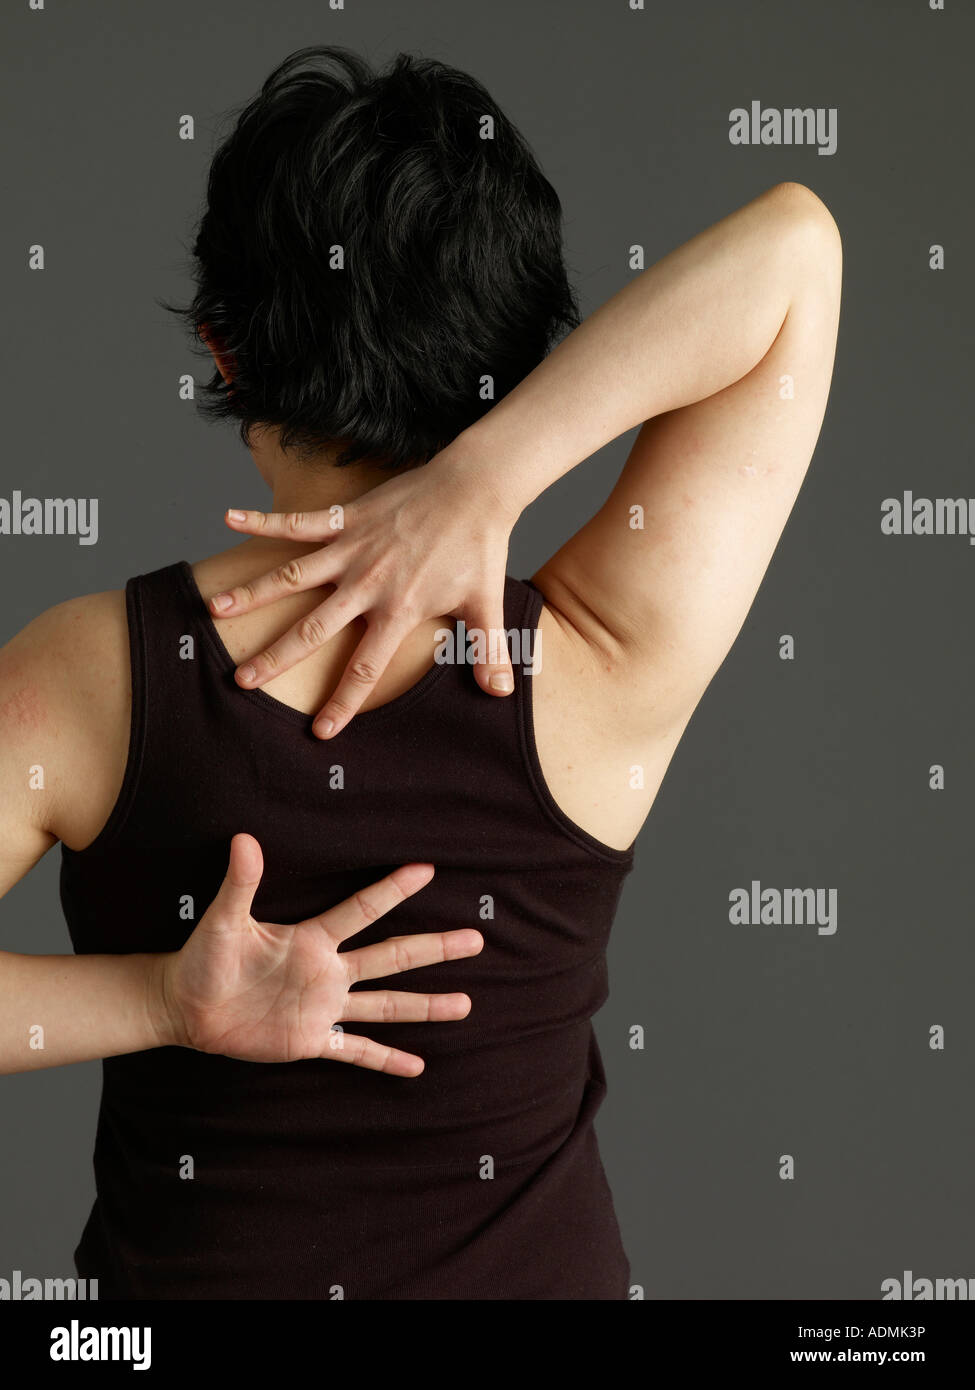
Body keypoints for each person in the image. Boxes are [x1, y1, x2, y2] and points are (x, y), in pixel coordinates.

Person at [0, 45, 841, 1299]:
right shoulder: (598, 655)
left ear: (225, 350)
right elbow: (796, 255)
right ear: (522, 353)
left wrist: (165, 1001)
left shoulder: (94, 674)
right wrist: (494, 472)